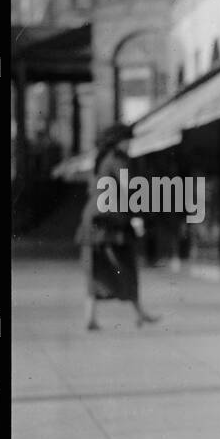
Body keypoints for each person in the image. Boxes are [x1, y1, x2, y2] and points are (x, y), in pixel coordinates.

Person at [76, 122, 159, 331]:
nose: (130, 144)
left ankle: (90, 317)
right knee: (126, 265)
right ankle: (140, 314)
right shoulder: (119, 160)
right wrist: (137, 215)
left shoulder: (101, 160)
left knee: (95, 269)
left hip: (93, 219)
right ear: (119, 142)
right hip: (112, 221)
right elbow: (130, 188)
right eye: (128, 140)